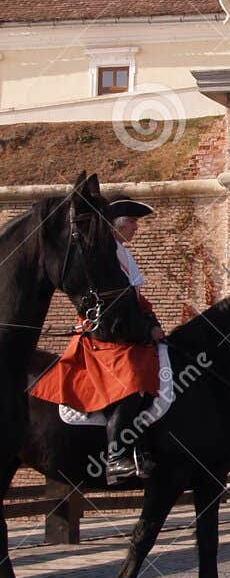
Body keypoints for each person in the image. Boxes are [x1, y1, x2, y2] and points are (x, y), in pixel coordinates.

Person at [30, 195, 163, 483]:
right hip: (106, 335)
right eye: (132, 222)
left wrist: (151, 323)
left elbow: (136, 300)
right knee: (132, 381)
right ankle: (116, 456)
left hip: (126, 331)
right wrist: (143, 329)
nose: (136, 228)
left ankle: (141, 446)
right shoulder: (105, 256)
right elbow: (110, 306)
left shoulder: (122, 254)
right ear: (116, 224)